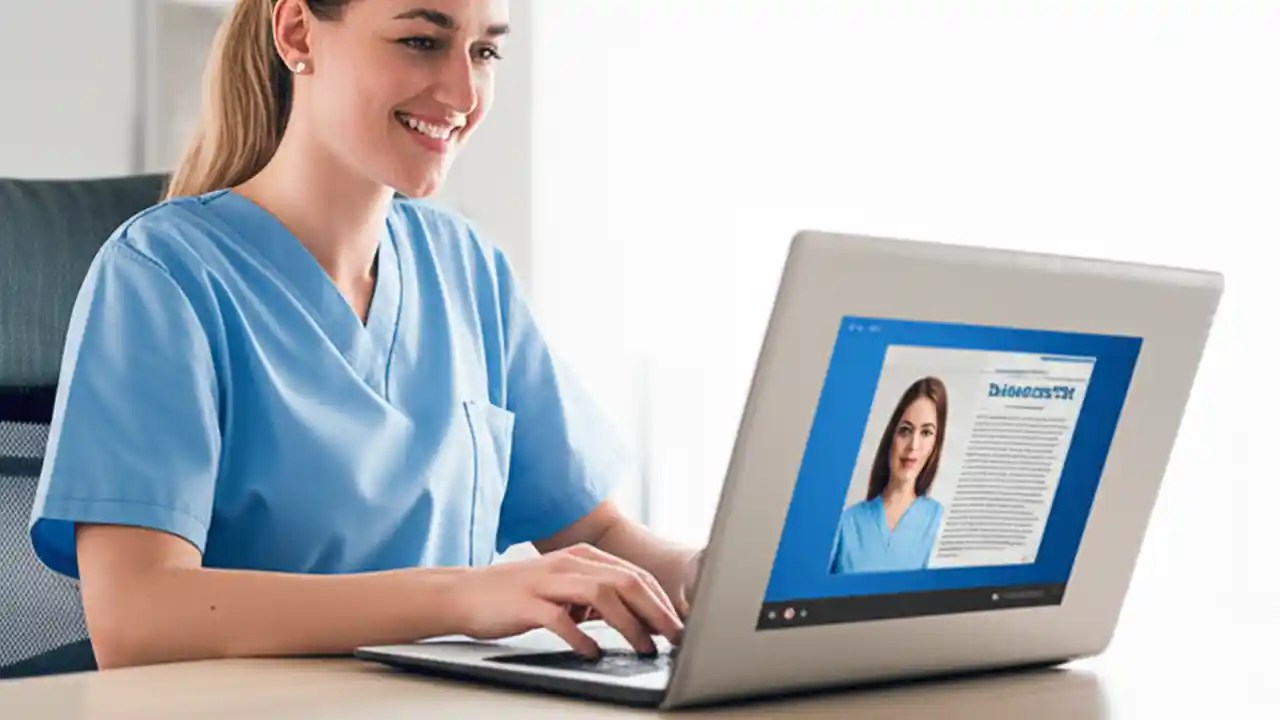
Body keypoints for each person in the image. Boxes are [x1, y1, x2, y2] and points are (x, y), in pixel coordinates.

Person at [28, 0, 700, 669]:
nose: (464, 94)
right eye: (419, 41)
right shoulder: (163, 273)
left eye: (485, 52)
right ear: (298, 32)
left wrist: (721, 579)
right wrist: (463, 597)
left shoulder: (467, 268)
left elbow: (597, 532)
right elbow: (138, 617)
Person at [829, 377, 948, 574]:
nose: (913, 446)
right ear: (891, 436)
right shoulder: (846, 523)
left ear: (936, 444)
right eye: (905, 431)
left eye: (926, 433)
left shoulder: (938, 520)